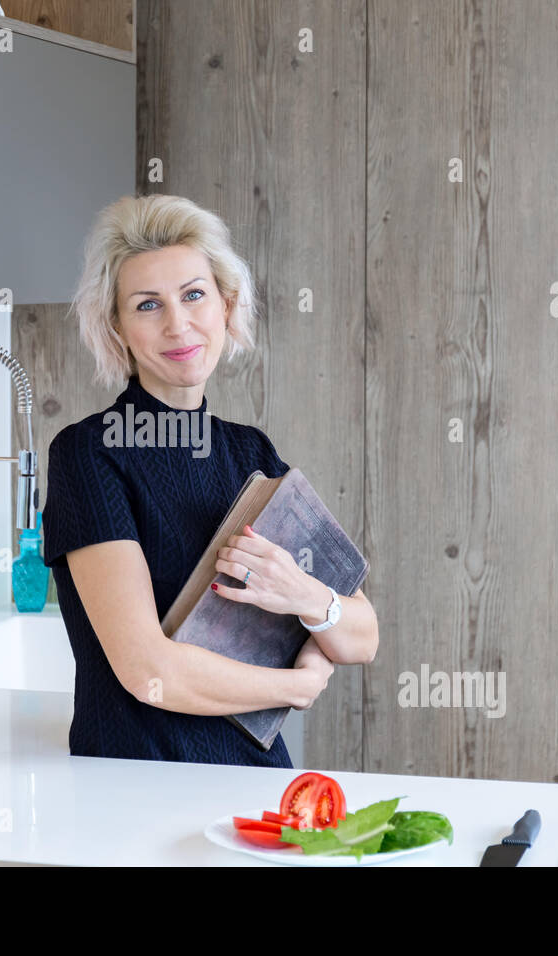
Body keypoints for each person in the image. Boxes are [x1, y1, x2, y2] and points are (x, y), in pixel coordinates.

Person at [41, 194, 380, 767]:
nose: (178, 324)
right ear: (117, 327)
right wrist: (294, 687)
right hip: (135, 783)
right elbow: (149, 672)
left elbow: (362, 636)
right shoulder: (88, 455)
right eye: (147, 305)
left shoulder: (251, 453)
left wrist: (307, 599)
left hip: (255, 783)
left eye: (194, 295)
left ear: (225, 305)